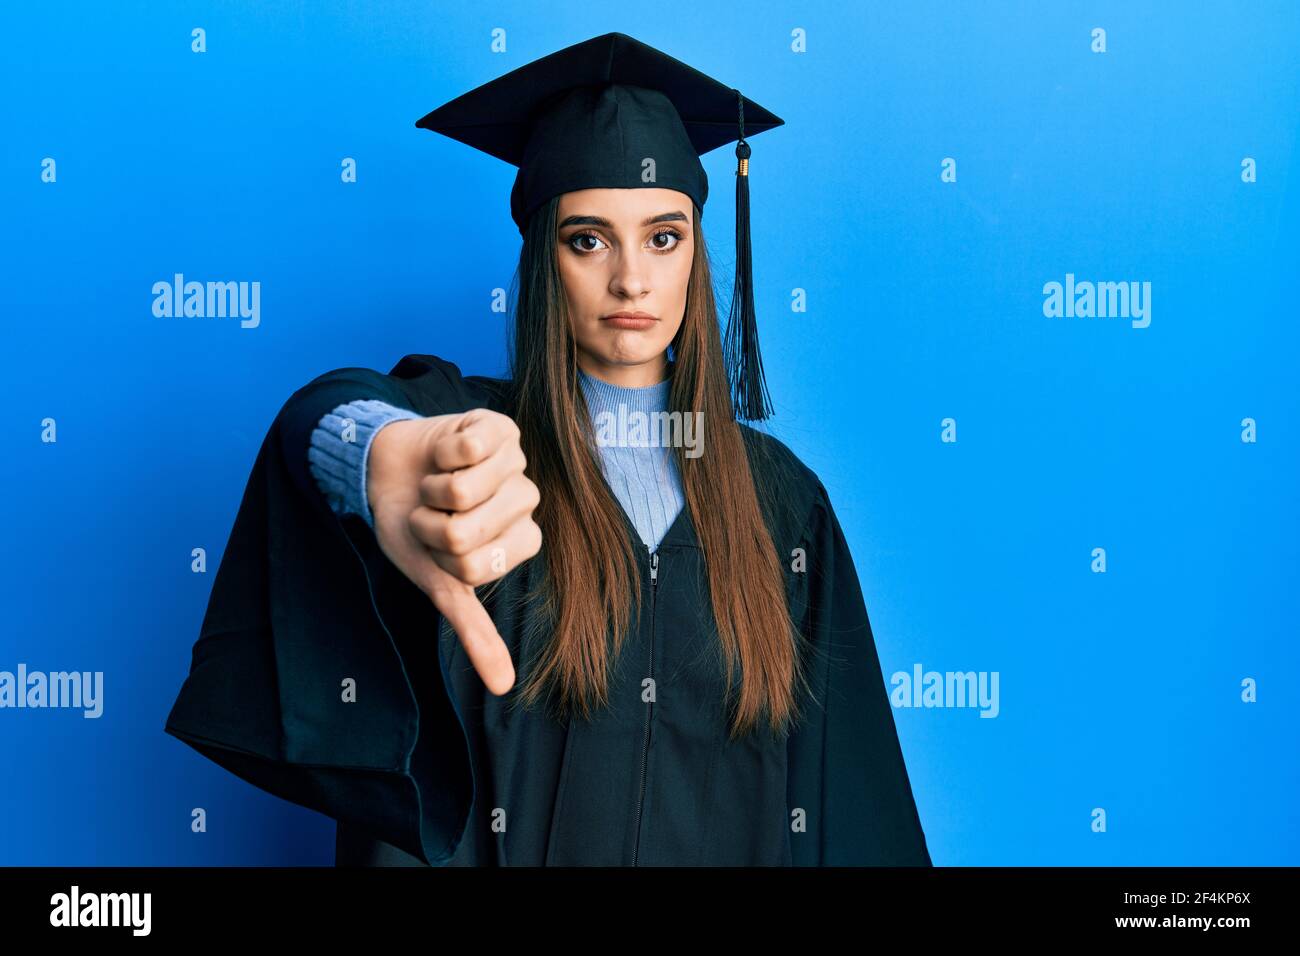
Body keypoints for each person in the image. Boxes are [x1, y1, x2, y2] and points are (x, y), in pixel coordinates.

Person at [164, 32, 931, 867]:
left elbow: (847, 802)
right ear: (543, 261)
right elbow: (327, 416)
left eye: (664, 238)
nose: (631, 279)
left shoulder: (781, 501)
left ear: (697, 261)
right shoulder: (474, 450)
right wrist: (375, 454)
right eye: (589, 239)